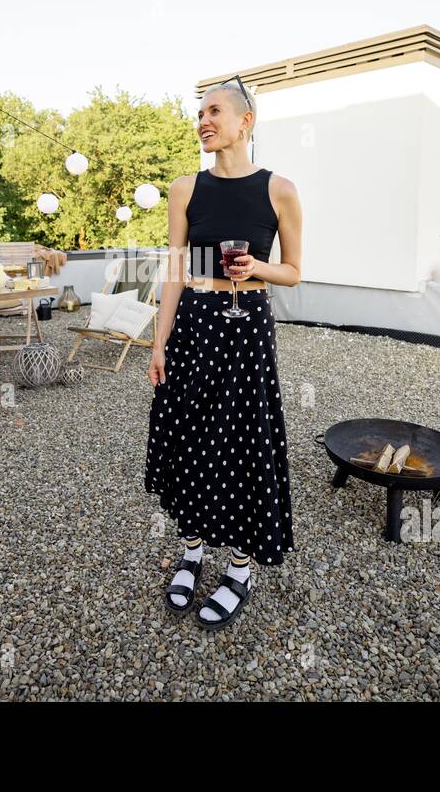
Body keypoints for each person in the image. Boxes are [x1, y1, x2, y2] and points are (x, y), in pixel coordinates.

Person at [145, 75, 303, 629]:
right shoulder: (186, 187)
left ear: (245, 122)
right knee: (189, 435)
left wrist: (257, 267)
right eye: (200, 115)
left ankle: (239, 567)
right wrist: (159, 342)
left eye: (214, 111)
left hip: (248, 327)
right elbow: (174, 269)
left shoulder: (278, 190)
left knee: (241, 441)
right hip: (195, 321)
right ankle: (191, 552)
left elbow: (293, 272)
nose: (203, 122)